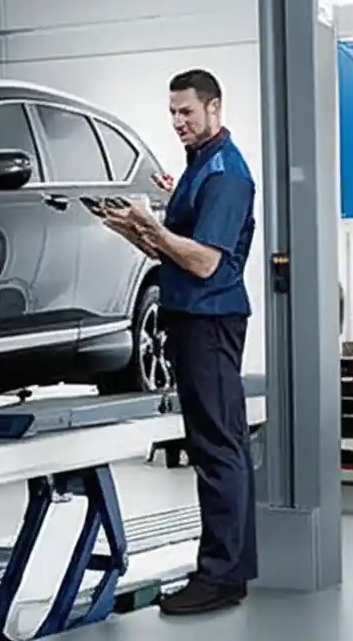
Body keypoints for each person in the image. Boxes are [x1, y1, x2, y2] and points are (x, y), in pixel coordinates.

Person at [102, 68, 257, 616]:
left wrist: (155, 227)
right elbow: (174, 250)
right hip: (191, 317)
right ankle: (228, 570)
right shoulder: (198, 167)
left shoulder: (225, 174)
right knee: (216, 446)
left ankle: (220, 576)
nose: (177, 122)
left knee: (218, 450)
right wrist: (132, 228)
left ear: (214, 108)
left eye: (186, 112)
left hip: (209, 322)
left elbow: (204, 259)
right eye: (172, 113)